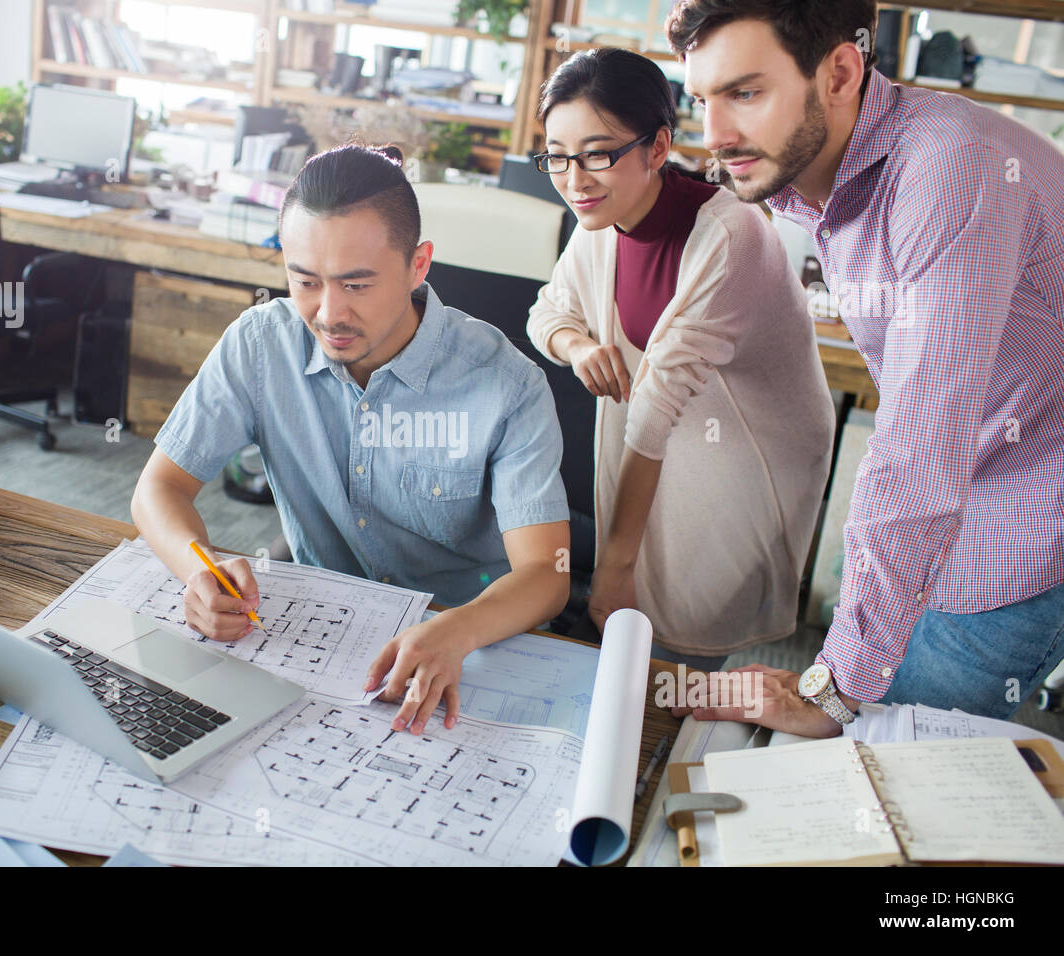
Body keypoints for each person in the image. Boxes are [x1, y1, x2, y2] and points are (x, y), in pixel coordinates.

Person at [665, 0, 1064, 732]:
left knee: (902, 756)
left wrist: (836, 692)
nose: (714, 134)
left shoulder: (948, 170)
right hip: (971, 487)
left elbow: (918, 448)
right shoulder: (841, 170)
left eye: (745, 93)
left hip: (1029, 513)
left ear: (842, 71)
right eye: (701, 99)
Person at [131, 144, 571, 736]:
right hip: (315, 640)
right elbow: (158, 487)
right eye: (305, 280)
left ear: (419, 265)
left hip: (469, 645)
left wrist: (458, 629)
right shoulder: (262, 343)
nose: (328, 314)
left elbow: (548, 571)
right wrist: (197, 571)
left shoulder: (506, 384)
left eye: (356, 285)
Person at [526, 48, 835, 669]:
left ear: (657, 145)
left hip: (742, 454)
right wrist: (579, 344)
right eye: (557, 156)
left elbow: (657, 404)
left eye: (598, 153)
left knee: (681, 634)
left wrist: (612, 571)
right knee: (633, 615)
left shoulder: (730, 234)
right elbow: (546, 313)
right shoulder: (601, 224)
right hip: (664, 441)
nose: (575, 179)